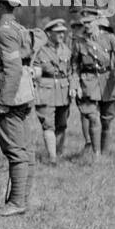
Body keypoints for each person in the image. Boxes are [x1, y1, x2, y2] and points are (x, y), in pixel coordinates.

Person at [0, 0, 36, 215]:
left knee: (15, 150)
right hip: (23, 94)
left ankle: (16, 202)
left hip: (10, 97)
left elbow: (12, 70)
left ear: (2, 6)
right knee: (25, 149)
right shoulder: (19, 28)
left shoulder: (4, 32)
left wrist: (3, 101)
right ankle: (24, 199)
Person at [74, 10, 115, 157]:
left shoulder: (109, 38)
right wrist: (75, 85)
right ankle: (96, 155)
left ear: (96, 22)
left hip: (107, 82)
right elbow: (74, 66)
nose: (86, 25)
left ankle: (104, 154)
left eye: (89, 22)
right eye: (84, 23)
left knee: (107, 120)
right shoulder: (79, 42)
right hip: (88, 82)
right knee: (93, 117)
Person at [32, 18, 72, 165]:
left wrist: (73, 86)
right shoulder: (40, 51)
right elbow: (35, 71)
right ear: (49, 33)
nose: (61, 35)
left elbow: (72, 71)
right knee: (48, 125)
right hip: (45, 89)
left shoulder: (67, 50)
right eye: (57, 32)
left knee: (62, 124)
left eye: (63, 32)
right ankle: (53, 158)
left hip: (63, 90)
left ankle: (59, 154)